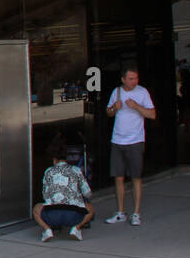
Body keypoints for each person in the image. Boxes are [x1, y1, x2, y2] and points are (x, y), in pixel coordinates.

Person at [105, 67, 155, 225]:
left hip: (135, 140)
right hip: (118, 140)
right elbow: (108, 112)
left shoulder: (142, 92)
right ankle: (120, 212)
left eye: (136, 78)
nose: (134, 81)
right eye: (131, 79)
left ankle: (136, 213)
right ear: (123, 79)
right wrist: (114, 108)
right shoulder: (117, 91)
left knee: (136, 177)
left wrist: (136, 106)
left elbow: (152, 114)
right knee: (118, 178)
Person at [33, 134, 94, 240]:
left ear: (54, 158)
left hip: (52, 215)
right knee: (90, 208)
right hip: (73, 215)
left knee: (36, 208)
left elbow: (45, 195)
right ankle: (77, 228)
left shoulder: (48, 171)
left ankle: (47, 229)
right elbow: (87, 193)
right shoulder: (76, 170)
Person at [178, 67, 190, 137]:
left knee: (188, 116)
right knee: (189, 116)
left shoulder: (187, 83)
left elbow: (185, 92)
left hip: (188, 101)